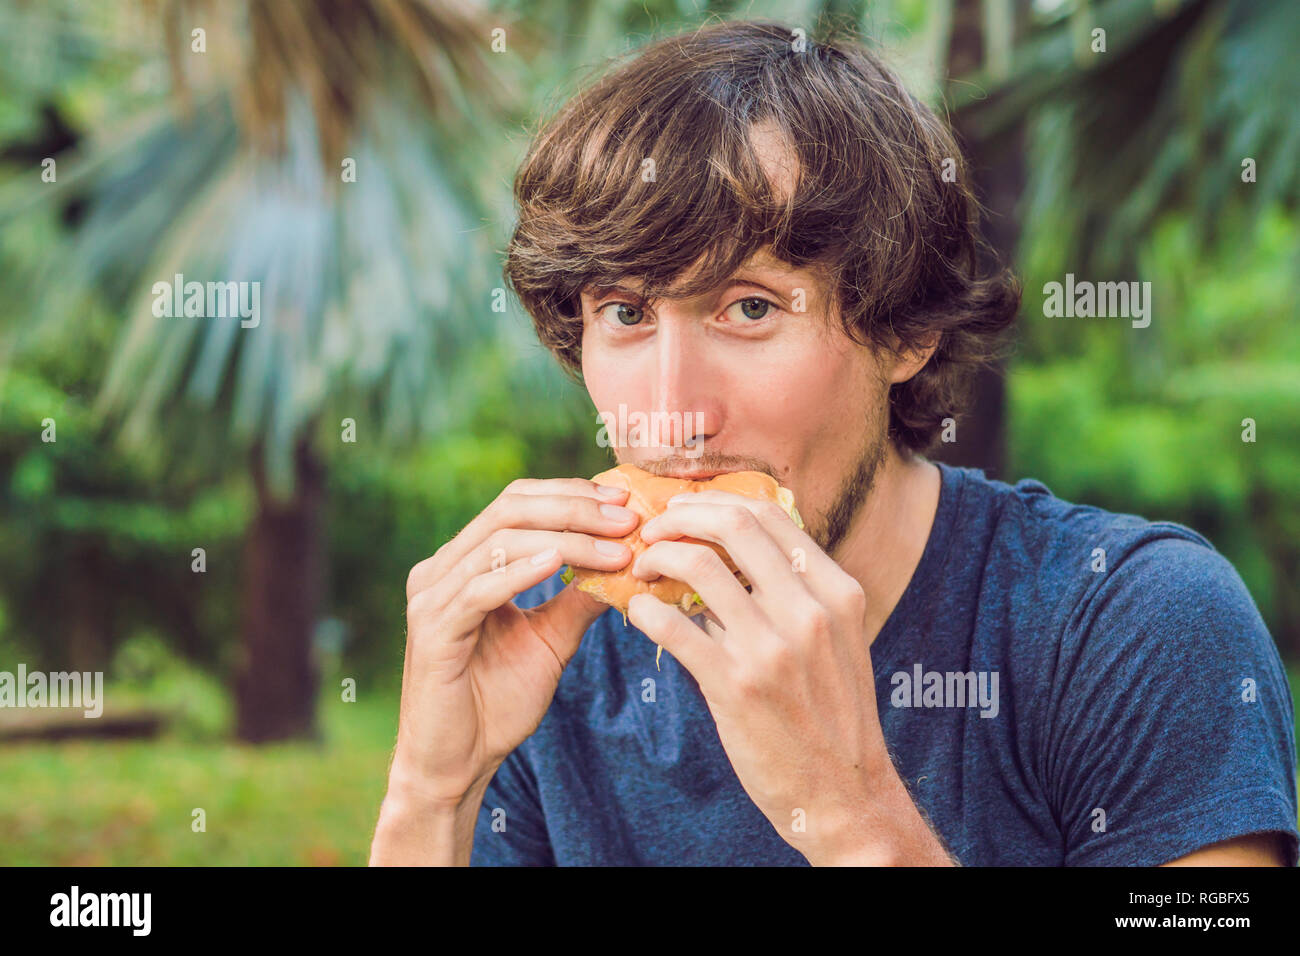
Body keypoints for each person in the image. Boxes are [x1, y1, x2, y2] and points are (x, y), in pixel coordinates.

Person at [369, 20, 1298, 866]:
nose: (670, 410)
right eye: (625, 312)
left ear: (905, 332)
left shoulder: (1133, 623)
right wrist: (431, 792)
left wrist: (852, 820)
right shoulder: (546, 652)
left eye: (748, 307)